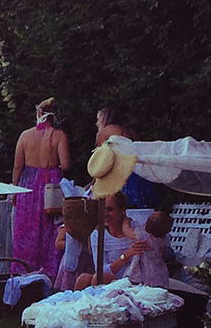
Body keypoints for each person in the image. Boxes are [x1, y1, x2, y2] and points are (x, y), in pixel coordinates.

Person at [11, 97, 69, 277]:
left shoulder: (25, 135)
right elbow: (66, 165)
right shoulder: (59, 136)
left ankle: (22, 268)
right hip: (50, 185)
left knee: (25, 227)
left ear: (39, 114)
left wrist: (14, 189)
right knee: (50, 227)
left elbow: (17, 165)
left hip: (27, 184)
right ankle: (48, 270)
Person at [75, 193, 138, 288]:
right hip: (109, 279)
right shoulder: (98, 235)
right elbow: (100, 270)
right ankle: (80, 303)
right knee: (83, 279)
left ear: (122, 210)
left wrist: (127, 229)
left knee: (97, 279)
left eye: (110, 209)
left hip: (133, 281)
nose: (105, 214)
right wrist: (125, 255)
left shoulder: (136, 229)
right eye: (102, 210)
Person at [126, 210, 173, 289]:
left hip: (142, 272)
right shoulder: (164, 239)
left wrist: (126, 221)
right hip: (159, 273)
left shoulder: (143, 237)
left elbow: (126, 230)